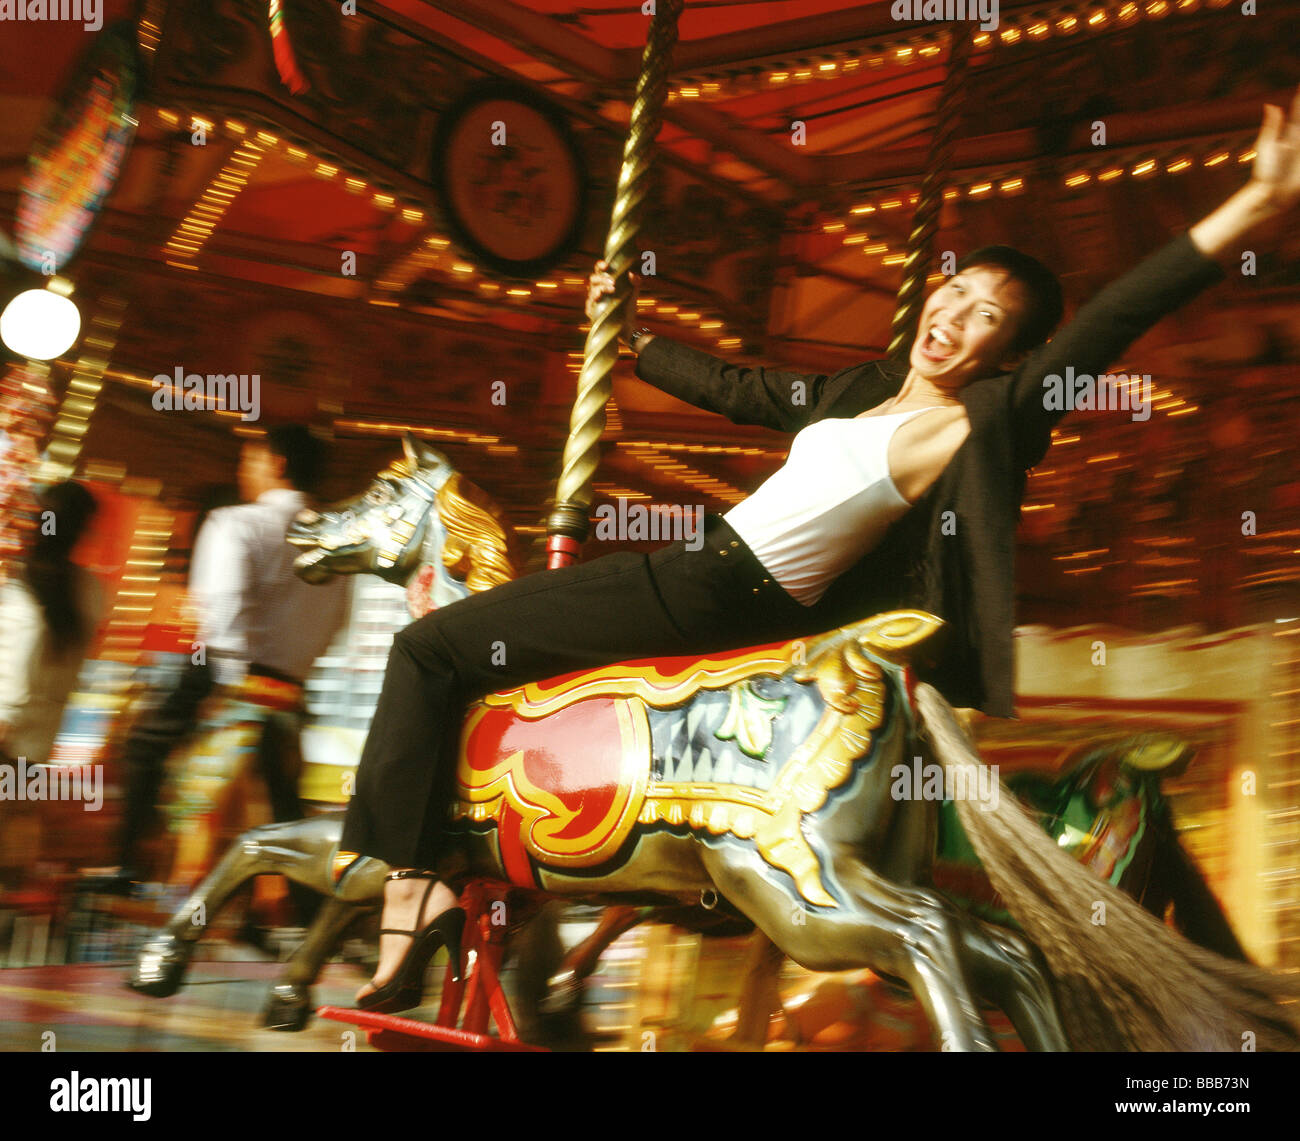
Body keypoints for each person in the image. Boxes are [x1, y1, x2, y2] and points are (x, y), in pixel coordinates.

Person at [343, 90, 1300, 1012]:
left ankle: (411, 874)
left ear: (1008, 357)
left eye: (985, 318)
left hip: (712, 592)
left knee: (428, 649)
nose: (953, 315)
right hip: (699, 575)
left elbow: (1104, 327)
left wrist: (1250, 206)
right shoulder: (872, 386)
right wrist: (635, 346)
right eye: (954, 290)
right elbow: (750, 391)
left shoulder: (974, 424)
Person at [90, 425, 351, 892]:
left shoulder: (235, 523)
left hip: (227, 672)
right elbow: (338, 622)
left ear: (278, 464)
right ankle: (297, 905)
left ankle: (130, 867)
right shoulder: (332, 544)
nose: (244, 470)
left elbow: (223, 609)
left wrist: (230, 687)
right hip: (289, 682)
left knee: (147, 746)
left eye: (251, 460)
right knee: (279, 797)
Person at [0, 481, 101, 885]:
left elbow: (14, 672)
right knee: (13, 851)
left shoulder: (22, 586)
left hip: (8, 736)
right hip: (37, 745)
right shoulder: (91, 593)